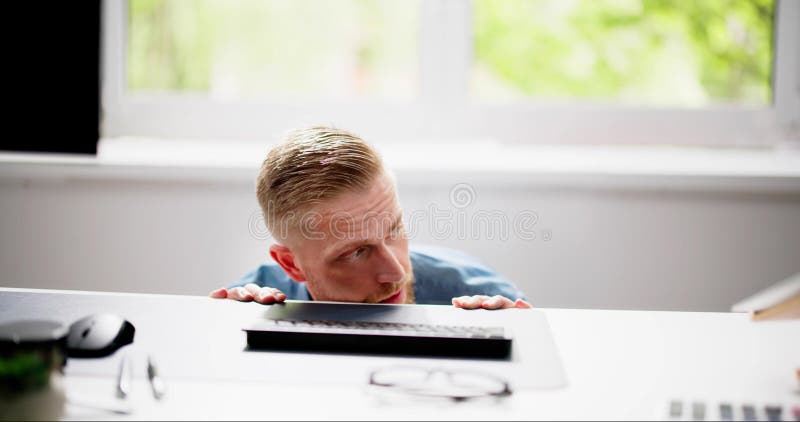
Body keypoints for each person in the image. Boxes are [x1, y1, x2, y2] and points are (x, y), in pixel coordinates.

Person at [210, 126, 531, 310]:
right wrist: (224, 347)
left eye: (395, 230)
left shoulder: (480, 298)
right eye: (356, 252)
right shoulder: (254, 307)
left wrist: (517, 356)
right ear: (292, 265)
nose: (395, 272)